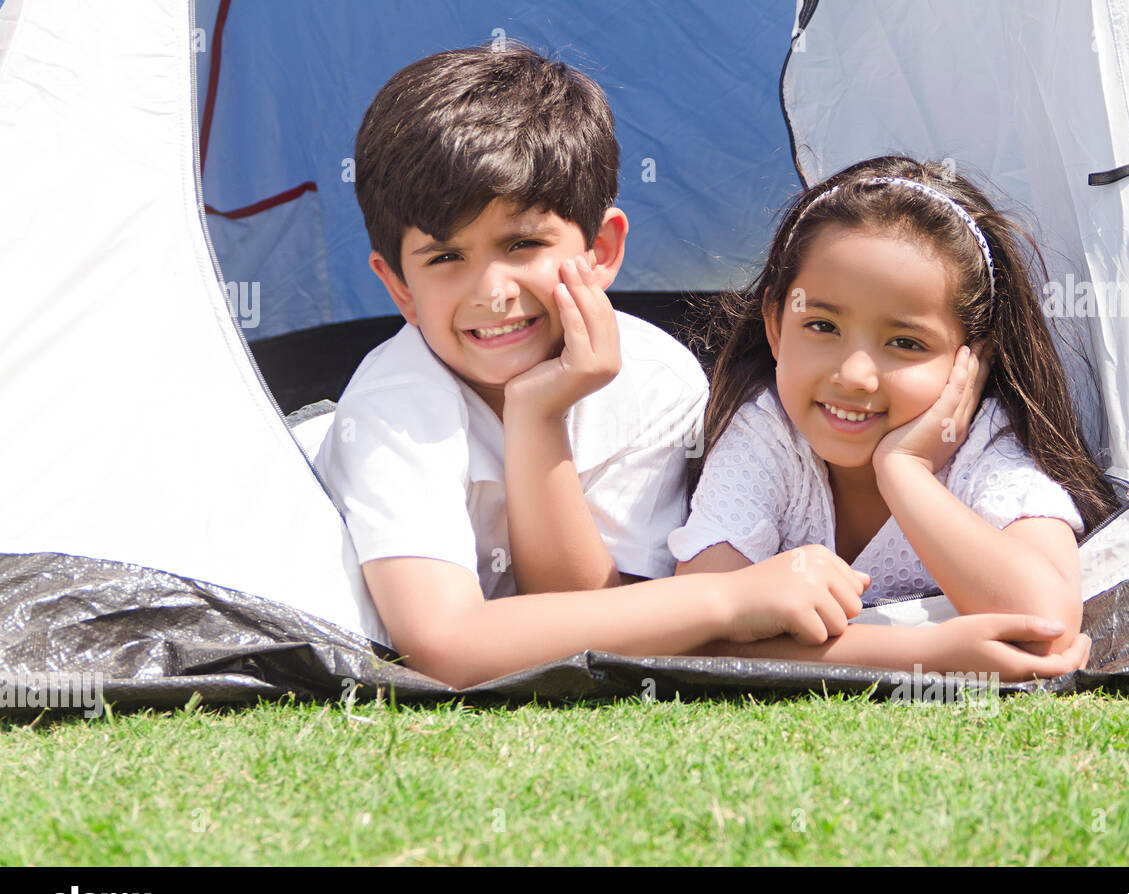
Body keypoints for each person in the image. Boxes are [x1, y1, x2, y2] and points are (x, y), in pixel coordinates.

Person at [313, 42, 883, 689]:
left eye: (521, 243)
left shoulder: (657, 378)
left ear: (603, 249)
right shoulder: (393, 404)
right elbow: (444, 645)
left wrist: (537, 416)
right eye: (446, 258)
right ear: (400, 288)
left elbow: (605, 633)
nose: (492, 290)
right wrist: (730, 598)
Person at [672, 155, 1117, 675]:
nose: (855, 375)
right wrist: (921, 655)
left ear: (969, 361)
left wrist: (904, 470)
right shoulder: (768, 433)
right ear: (775, 325)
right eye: (822, 326)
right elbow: (694, 621)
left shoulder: (983, 444)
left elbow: (1044, 625)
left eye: (905, 342)